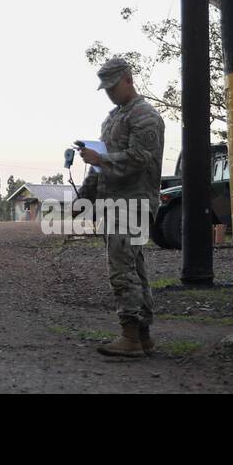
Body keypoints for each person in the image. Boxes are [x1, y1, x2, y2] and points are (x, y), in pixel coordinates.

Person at [78, 57, 164, 357]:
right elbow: (99, 161)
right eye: (106, 89)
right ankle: (142, 336)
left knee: (122, 268)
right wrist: (85, 195)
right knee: (133, 267)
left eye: (113, 87)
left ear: (128, 79)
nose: (110, 93)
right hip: (114, 203)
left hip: (134, 203)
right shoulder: (113, 118)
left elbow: (141, 158)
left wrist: (101, 159)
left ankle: (130, 336)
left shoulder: (145, 116)